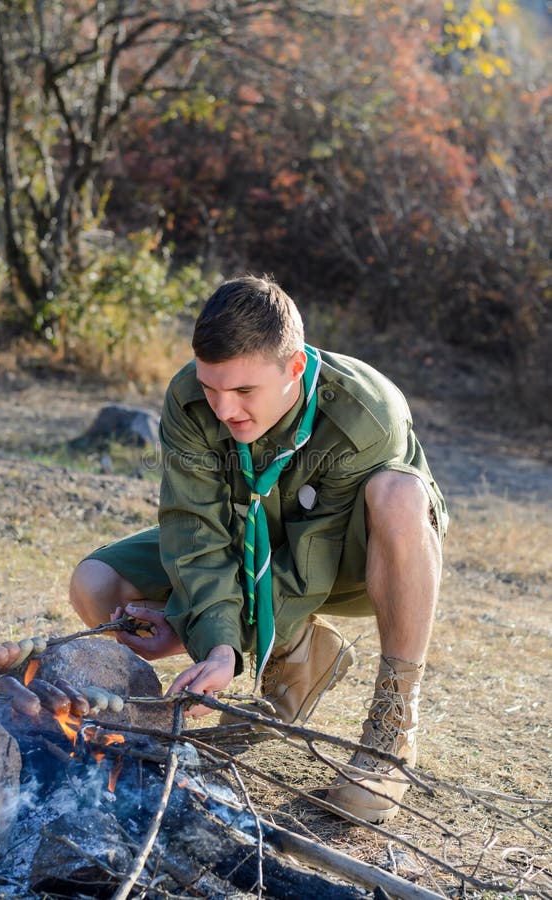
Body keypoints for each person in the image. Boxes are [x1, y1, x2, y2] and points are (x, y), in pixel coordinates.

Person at [69, 275, 447, 824]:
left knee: (398, 493)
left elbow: (307, 568)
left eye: (245, 392)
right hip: (244, 540)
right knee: (95, 585)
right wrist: (214, 641)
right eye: (211, 387)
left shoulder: (365, 415)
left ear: (293, 369)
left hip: (359, 563)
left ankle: (392, 727)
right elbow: (194, 532)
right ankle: (298, 659)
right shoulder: (189, 398)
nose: (223, 409)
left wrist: (214, 634)